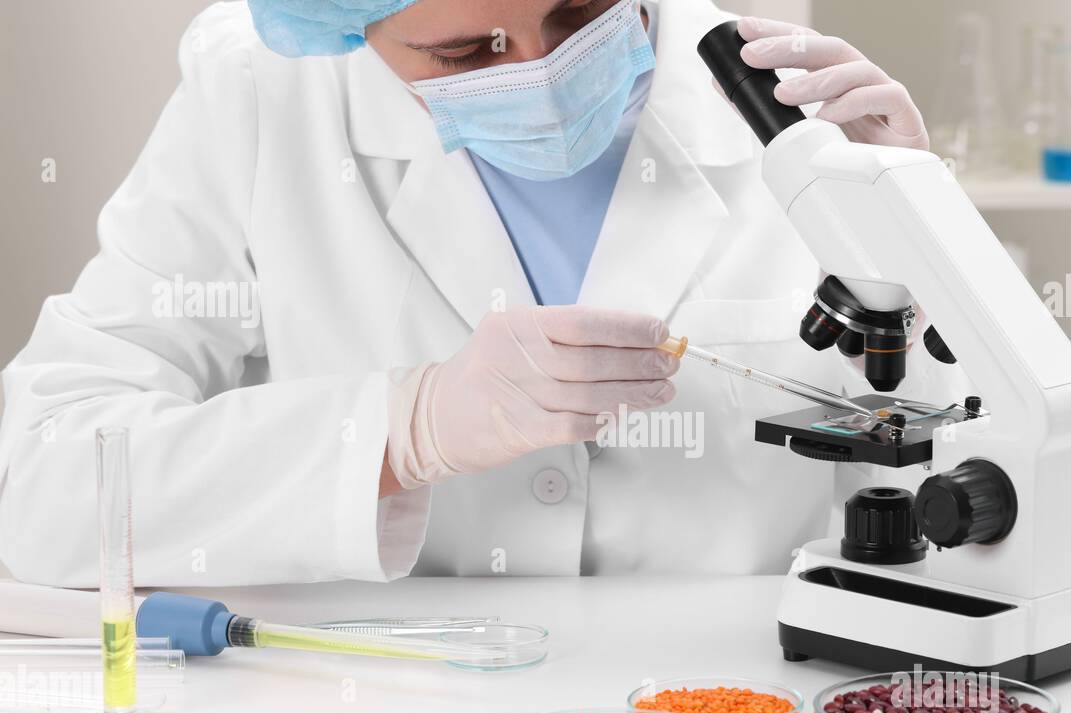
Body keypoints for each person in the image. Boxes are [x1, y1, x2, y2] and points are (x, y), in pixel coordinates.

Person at [0, 0, 955, 586]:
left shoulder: (786, 106)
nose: (540, 72)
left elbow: (980, 502)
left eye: (582, 12)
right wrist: (398, 432)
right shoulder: (264, 95)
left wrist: (936, 258)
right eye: (463, 56)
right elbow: (41, 484)